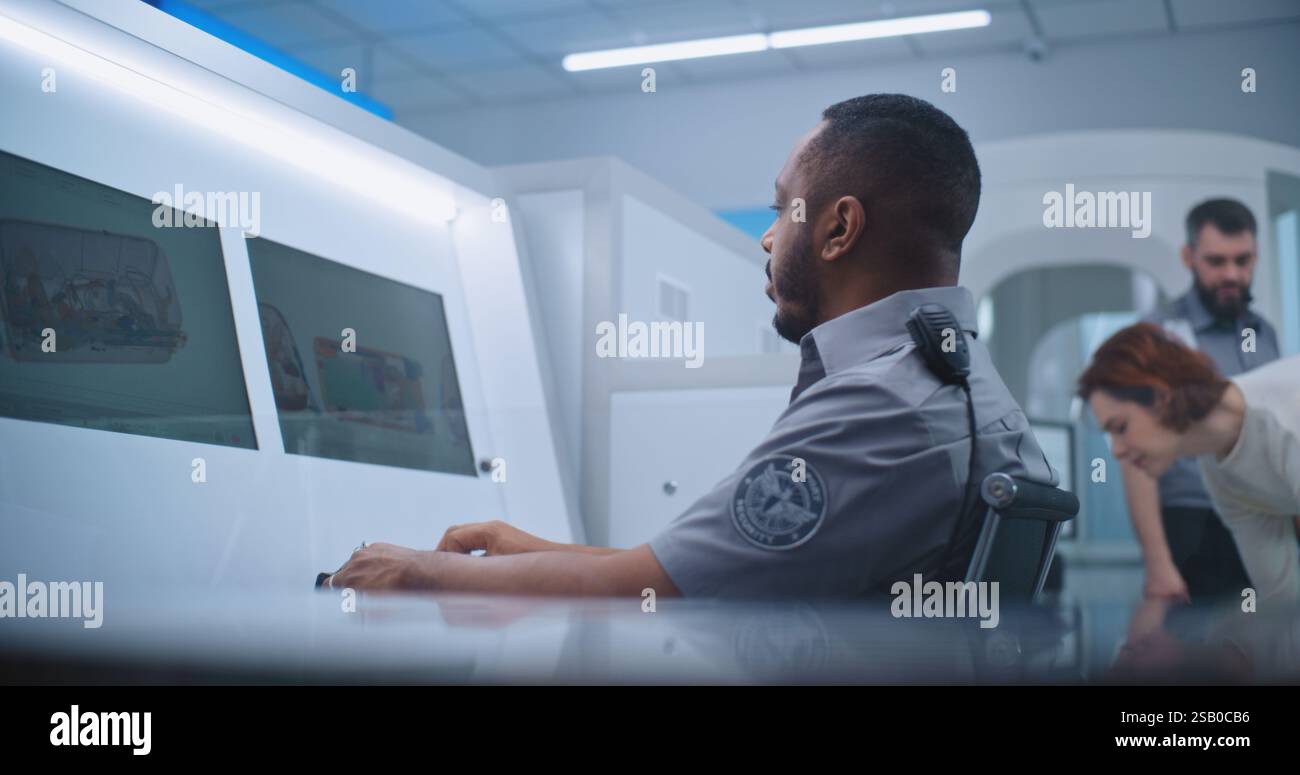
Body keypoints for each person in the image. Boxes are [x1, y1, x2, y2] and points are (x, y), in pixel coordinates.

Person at [326, 94, 1053, 598]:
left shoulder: (878, 405)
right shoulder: (953, 385)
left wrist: (420, 573)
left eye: (781, 209)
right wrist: (530, 546)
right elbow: (699, 569)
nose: (769, 237)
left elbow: (652, 591)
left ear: (838, 228)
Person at [1122, 199, 1280, 602]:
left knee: (1268, 653)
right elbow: (1134, 456)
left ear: (1256, 255)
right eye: (1216, 261)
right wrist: (1158, 565)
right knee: (1200, 657)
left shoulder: (1265, 334)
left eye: (1242, 260)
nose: (1231, 274)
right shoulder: (1158, 336)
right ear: (1188, 257)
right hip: (1193, 526)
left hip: (1264, 519)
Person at [1079, 323, 1300, 604]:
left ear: (1161, 396)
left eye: (1120, 428)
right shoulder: (1222, 475)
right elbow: (1283, 603)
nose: (1117, 452)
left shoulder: (1289, 417)